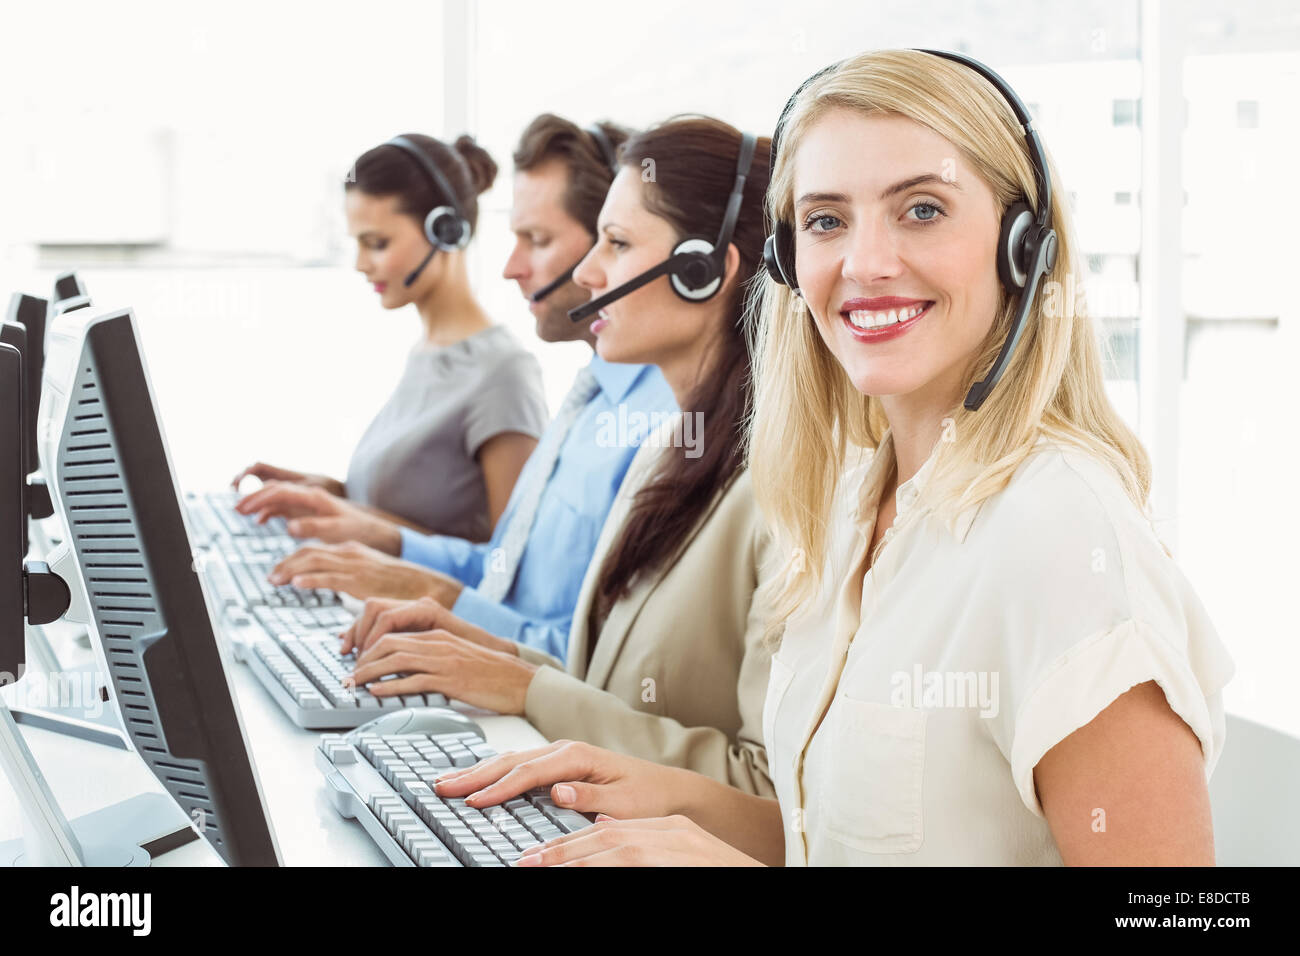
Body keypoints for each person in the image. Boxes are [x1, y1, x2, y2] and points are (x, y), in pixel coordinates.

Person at [430, 50, 1236, 866]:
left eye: (922, 209)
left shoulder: (1061, 537)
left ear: (1022, 246)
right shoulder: (847, 502)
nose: (865, 263)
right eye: (826, 220)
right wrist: (669, 799)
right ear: (788, 262)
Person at [337, 118, 779, 796]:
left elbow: (769, 797)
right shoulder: (673, 446)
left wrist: (516, 678)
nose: (586, 273)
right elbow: (601, 673)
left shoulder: (772, 488)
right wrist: (484, 647)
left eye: (618, 243)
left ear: (700, 271)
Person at [242, 116, 677, 661]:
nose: (510, 268)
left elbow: (596, 654)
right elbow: (503, 564)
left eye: (538, 239)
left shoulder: (661, 423)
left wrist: (420, 586)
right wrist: (354, 522)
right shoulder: (591, 399)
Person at [232, 133, 548, 543]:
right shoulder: (428, 352)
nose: (362, 264)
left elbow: (512, 565)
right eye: (358, 244)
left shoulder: (504, 373)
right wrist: (325, 495)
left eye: (377, 243)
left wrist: (345, 515)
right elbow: (413, 512)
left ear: (446, 231)